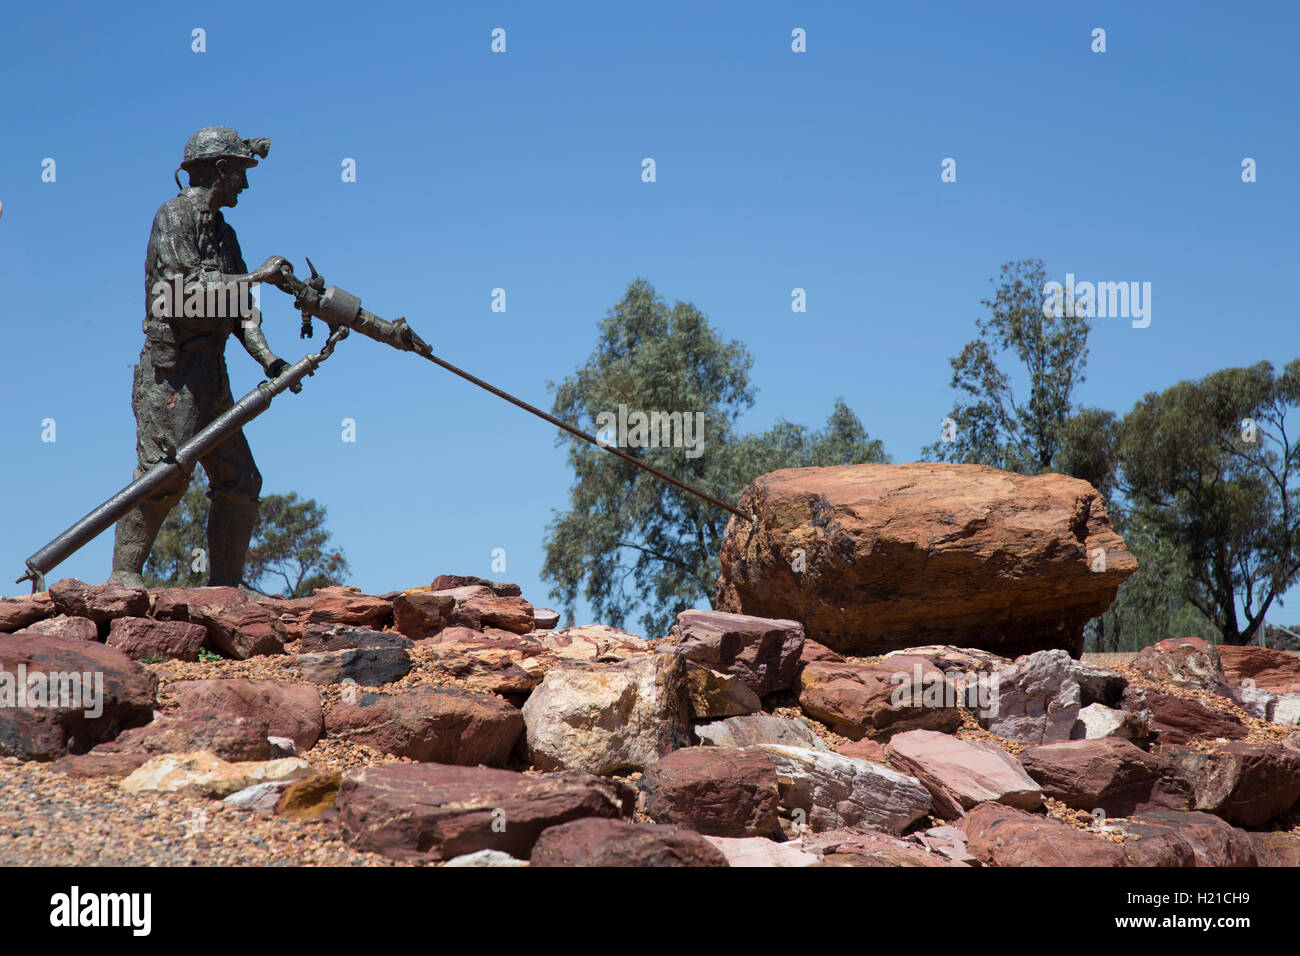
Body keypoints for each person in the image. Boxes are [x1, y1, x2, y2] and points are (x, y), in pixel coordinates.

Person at [109, 126, 293, 588]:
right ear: (221, 169)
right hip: (171, 377)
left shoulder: (226, 234)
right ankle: (123, 577)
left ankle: (227, 589)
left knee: (241, 479)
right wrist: (256, 277)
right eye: (240, 175)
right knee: (163, 475)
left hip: (212, 374)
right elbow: (182, 295)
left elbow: (242, 313)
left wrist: (271, 361)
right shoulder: (174, 217)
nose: (245, 186)